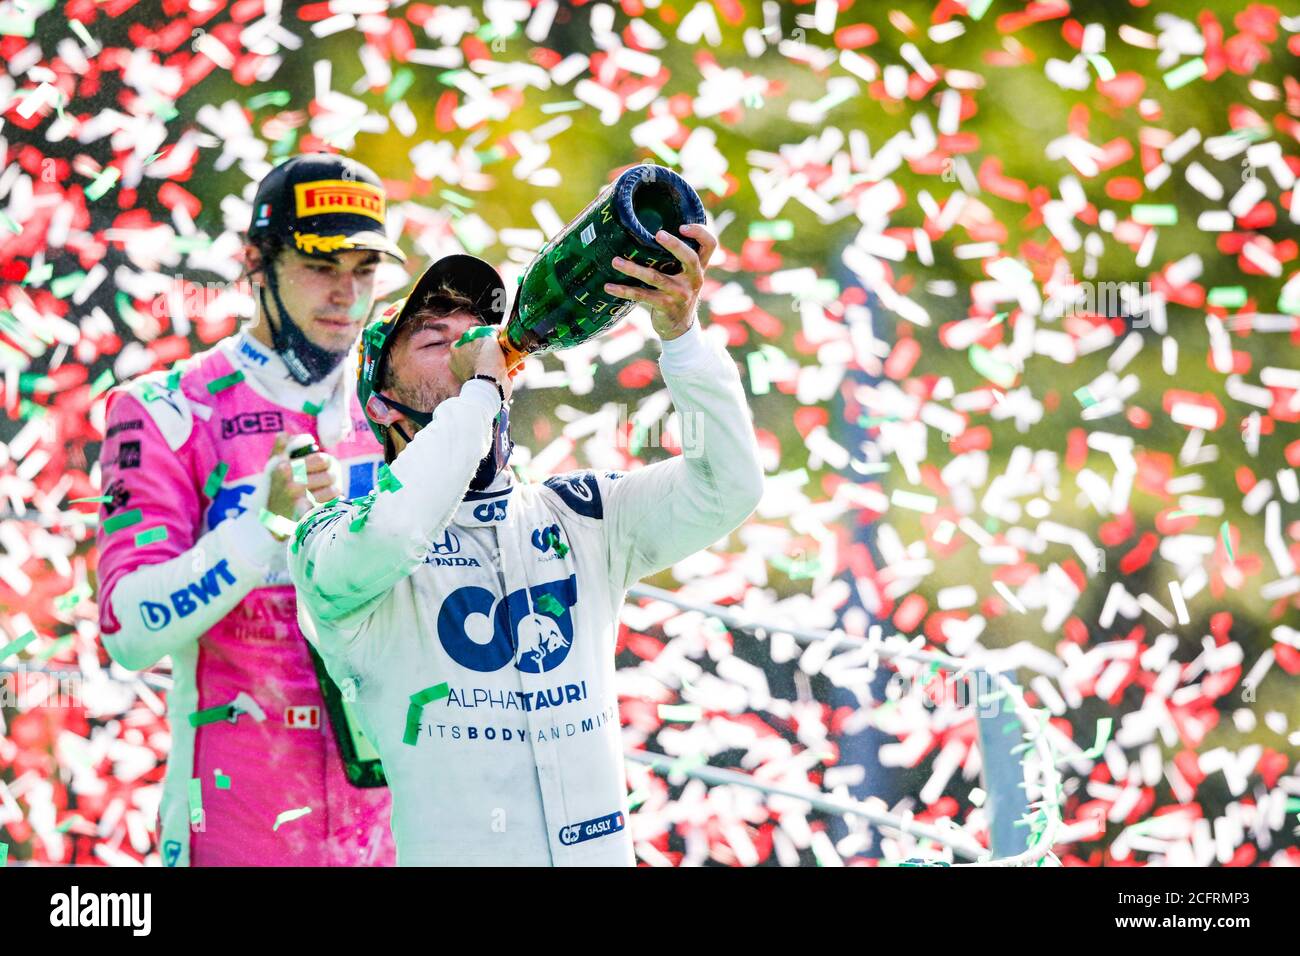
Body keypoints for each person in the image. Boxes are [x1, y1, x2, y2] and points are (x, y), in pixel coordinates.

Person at [289, 224, 765, 865]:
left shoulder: (580, 515)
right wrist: (478, 393)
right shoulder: (331, 538)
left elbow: (728, 488)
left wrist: (681, 337)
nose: (472, 351)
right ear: (382, 406)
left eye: (478, 338)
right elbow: (400, 527)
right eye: (437, 342)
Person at [95, 153, 405, 866]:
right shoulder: (167, 409)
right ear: (255, 265)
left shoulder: (402, 406)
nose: (346, 296)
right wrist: (261, 526)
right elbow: (126, 631)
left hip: (391, 829)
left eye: (364, 269)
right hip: (235, 825)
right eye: (321, 265)